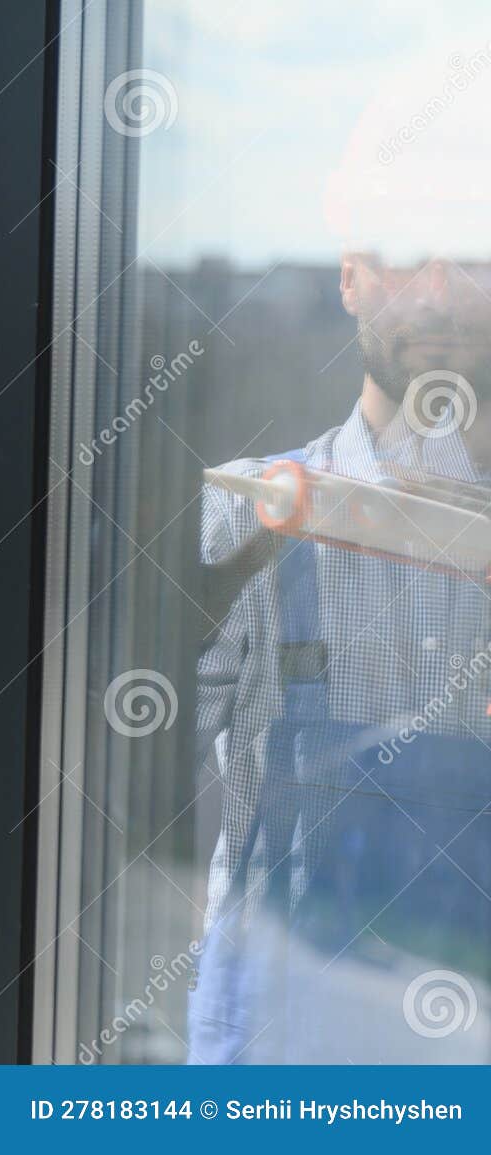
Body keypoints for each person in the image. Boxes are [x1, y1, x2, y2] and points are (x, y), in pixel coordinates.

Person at [189, 54, 491, 1062]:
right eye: (408, 250)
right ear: (351, 273)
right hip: (285, 1056)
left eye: (471, 255)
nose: (440, 293)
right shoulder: (240, 520)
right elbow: (117, 782)